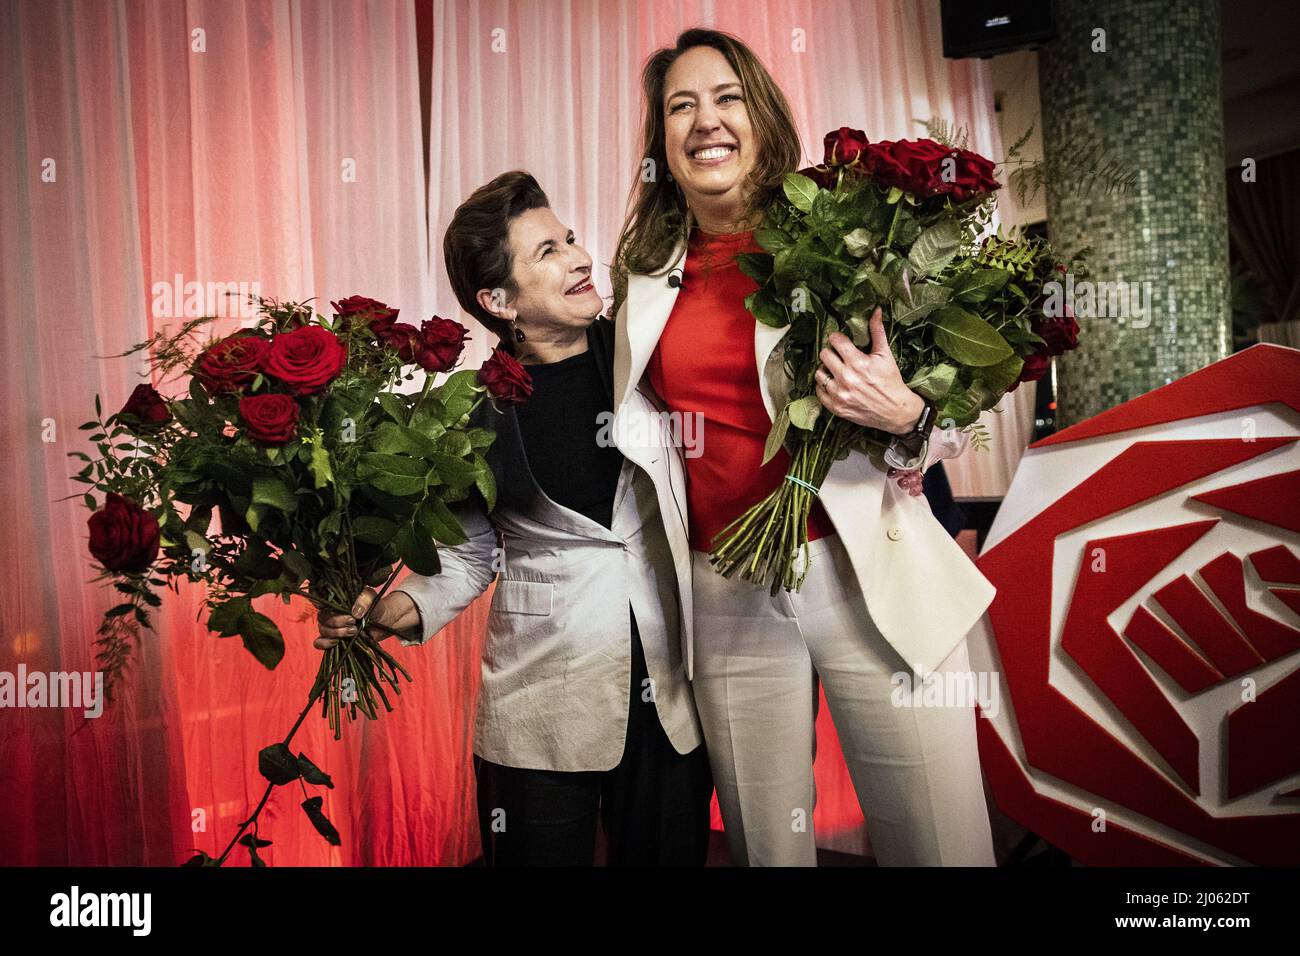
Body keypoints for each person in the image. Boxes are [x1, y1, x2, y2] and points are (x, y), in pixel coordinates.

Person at [609, 28, 998, 866]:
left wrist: (907, 417)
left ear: (762, 117)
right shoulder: (641, 277)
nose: (705, 122)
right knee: (767, 850)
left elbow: (956, 416)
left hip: (865, 569)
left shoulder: (851, 236)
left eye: (726, 99)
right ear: (662, 144)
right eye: (681, 107)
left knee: (940, 842)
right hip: (725, 593)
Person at [316, 171, 712, 866]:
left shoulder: (647, 355)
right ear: (497, 301)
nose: (580, 258)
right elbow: (469, 557)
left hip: (669, 693)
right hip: (540, 701)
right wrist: (384, 611)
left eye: (570, 239)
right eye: (548, 253)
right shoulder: (473, 418)